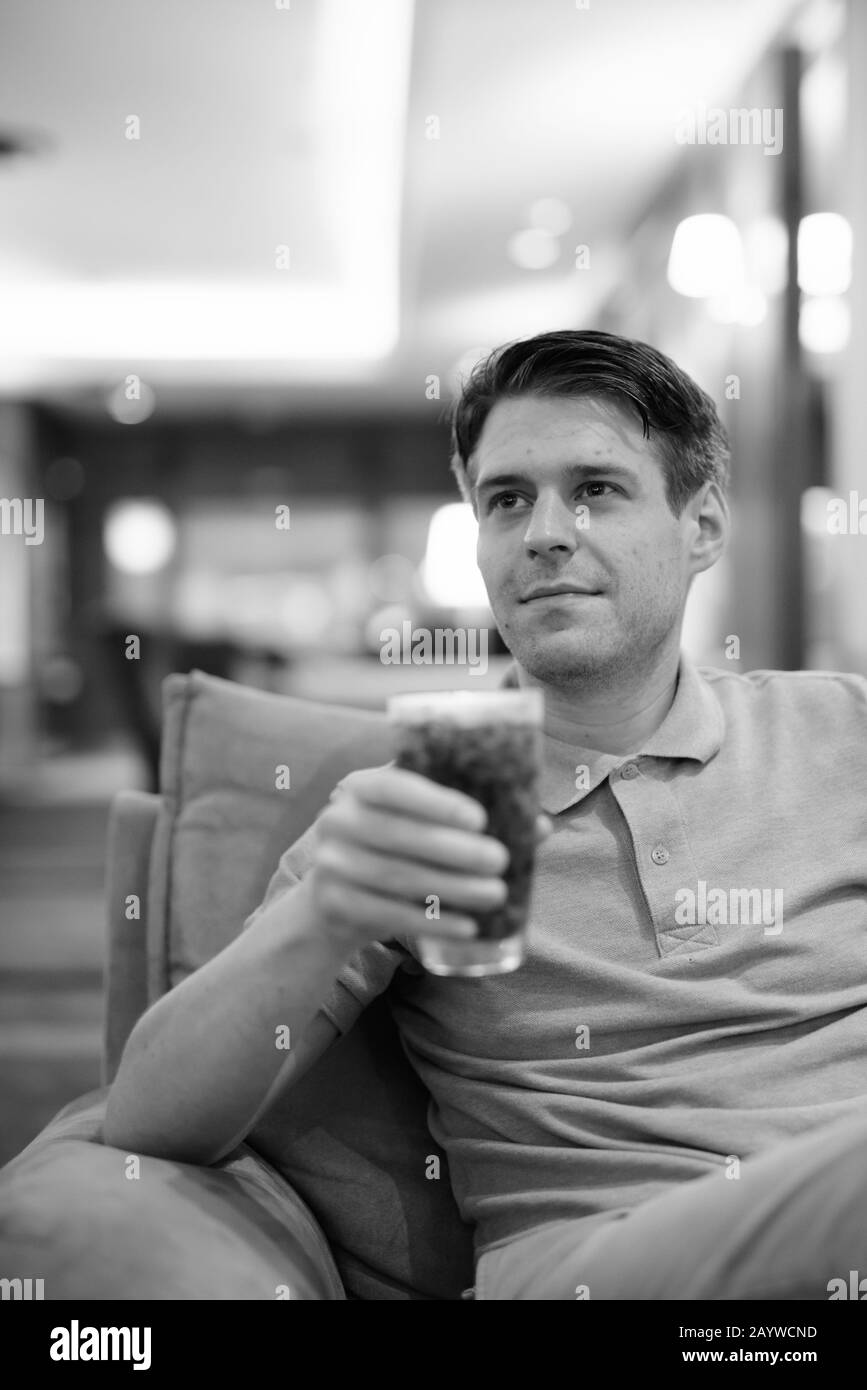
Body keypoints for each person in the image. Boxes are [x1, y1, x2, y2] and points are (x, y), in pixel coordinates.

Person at [103, 330, 867, 1300]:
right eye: (508, 499)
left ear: (703, 524)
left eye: (596, 488)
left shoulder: (843, 731)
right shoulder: (431, 793)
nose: (546, 530)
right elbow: (148, 1119)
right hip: (597, 1267)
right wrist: (324, 913)